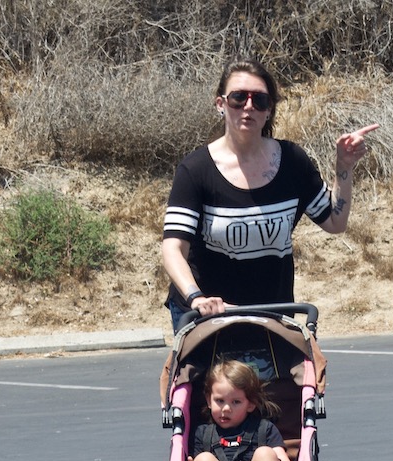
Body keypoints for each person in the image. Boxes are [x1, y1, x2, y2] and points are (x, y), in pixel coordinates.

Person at [161, 58, 380, 331]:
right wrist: (196, 297)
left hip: (271, 315)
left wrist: (343, 168)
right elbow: (173, 248)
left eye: (260, 100)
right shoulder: (195, 169)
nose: (248, 106)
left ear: (269, 111)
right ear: (221, 104)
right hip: (209, 317)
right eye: (238, 98)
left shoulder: (292, 162)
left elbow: (335, 222)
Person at [189, 357, 293, 461]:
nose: (226, 408)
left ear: (250, 404)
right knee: (203, 459)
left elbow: (283, 460)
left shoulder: (264, 428)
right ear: (209, 400)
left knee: (265, 453)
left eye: (236, 402)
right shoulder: (203, 433)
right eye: (219, 401)